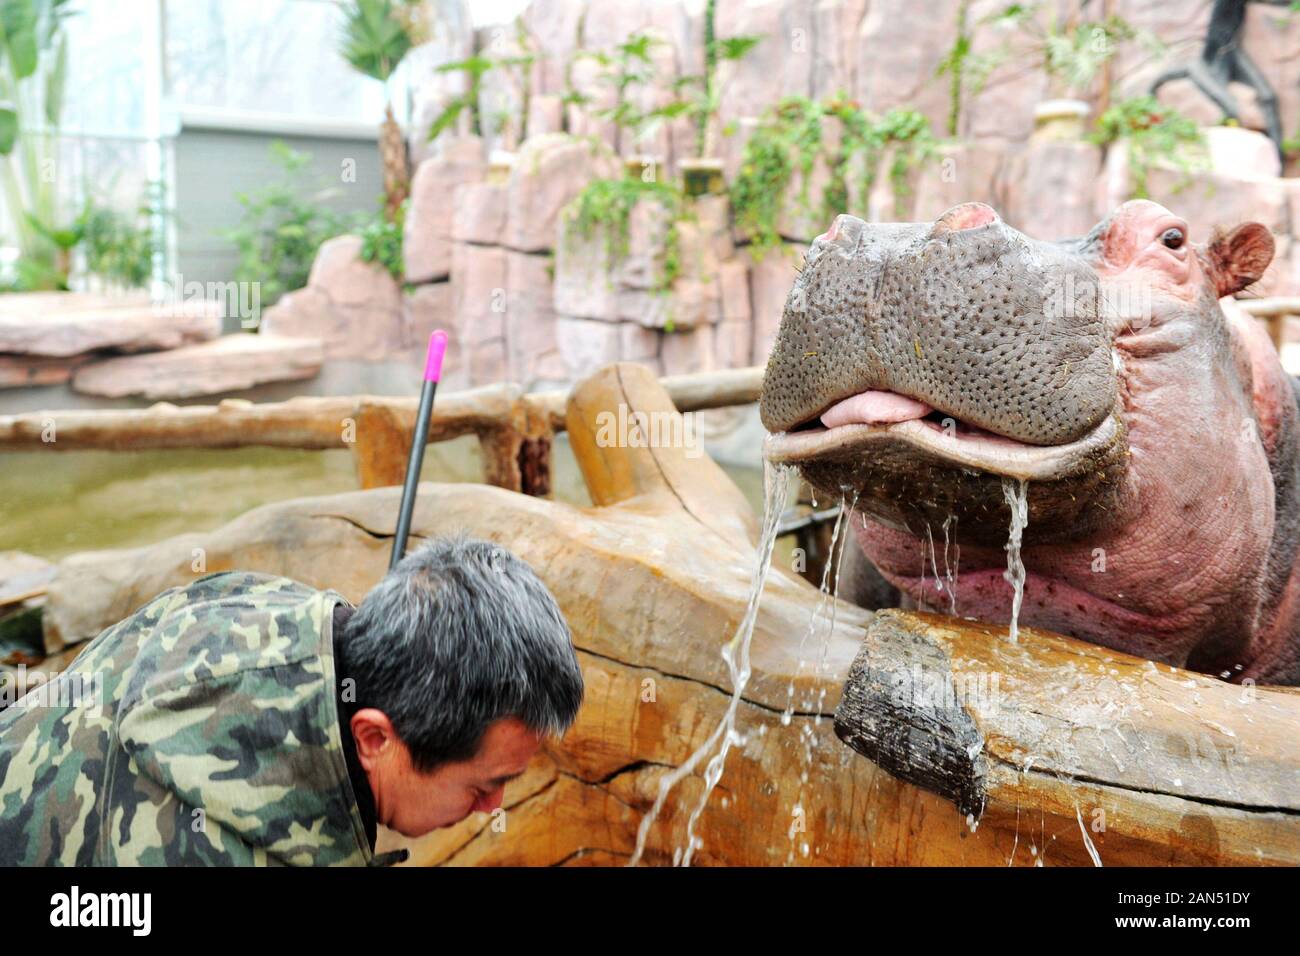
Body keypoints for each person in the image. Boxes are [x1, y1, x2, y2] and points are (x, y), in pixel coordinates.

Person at [0, 536, 584, 866]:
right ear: (375, 738)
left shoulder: (276, 608)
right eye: (482, 785)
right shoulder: (207, 851)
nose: (493, 806)